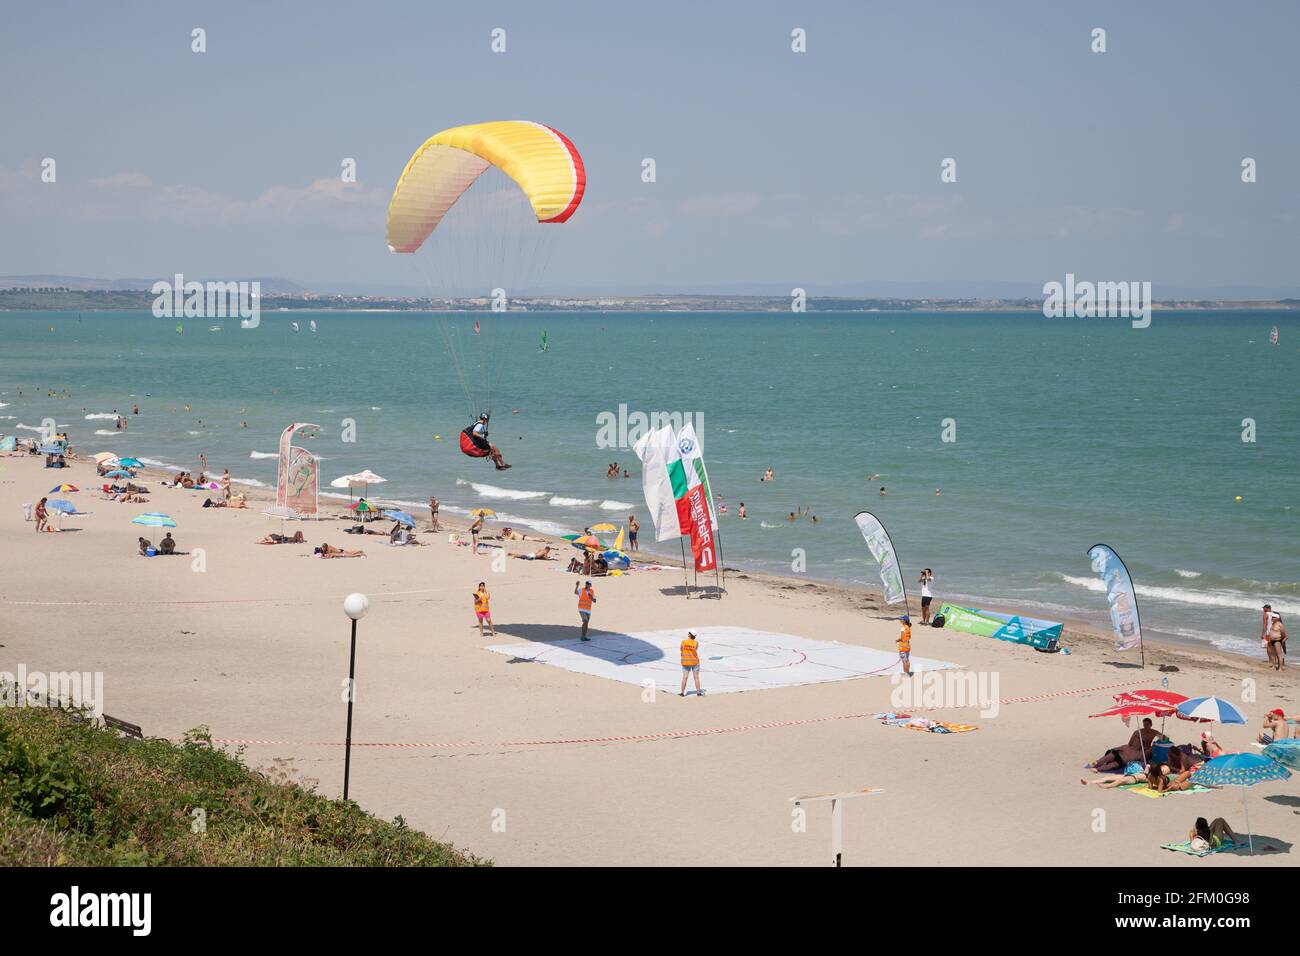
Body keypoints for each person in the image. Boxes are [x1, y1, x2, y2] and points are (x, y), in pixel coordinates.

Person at [679, 631, 704, 697]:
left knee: (685, 677)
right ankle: (698, 692)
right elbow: (695, 649)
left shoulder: (683, 642)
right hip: (694, 661)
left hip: (685, 661)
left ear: (690, 635)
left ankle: (682, 693)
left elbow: (681, 649)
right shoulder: (696, 643)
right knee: (696, 678)